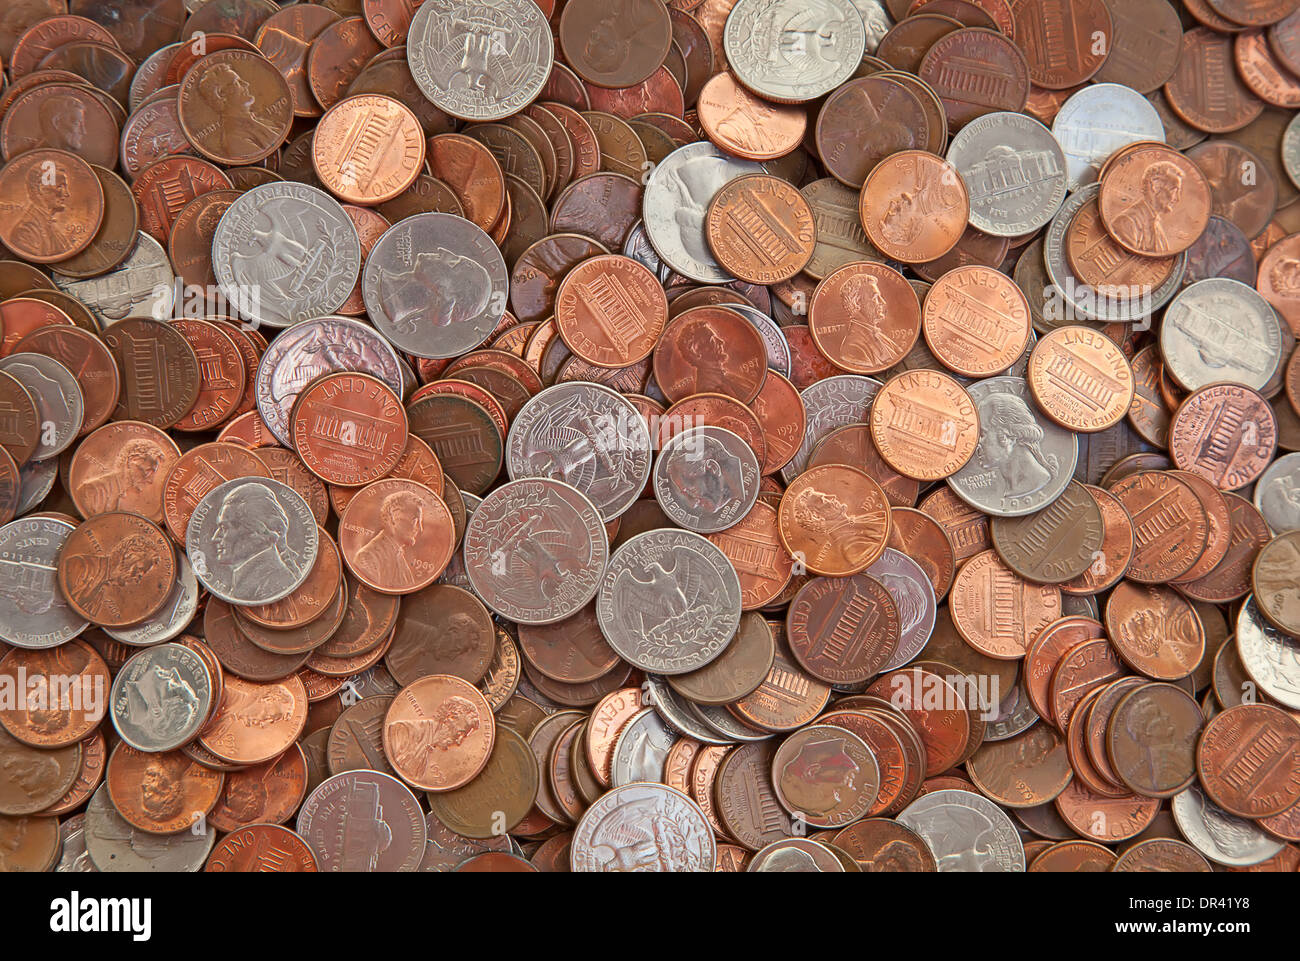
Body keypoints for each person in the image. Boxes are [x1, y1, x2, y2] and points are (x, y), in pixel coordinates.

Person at [210, 483, 300, 599]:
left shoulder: (275, 583)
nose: (215, 538)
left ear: (258, 532)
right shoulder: (250, 579)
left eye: (225, 528)